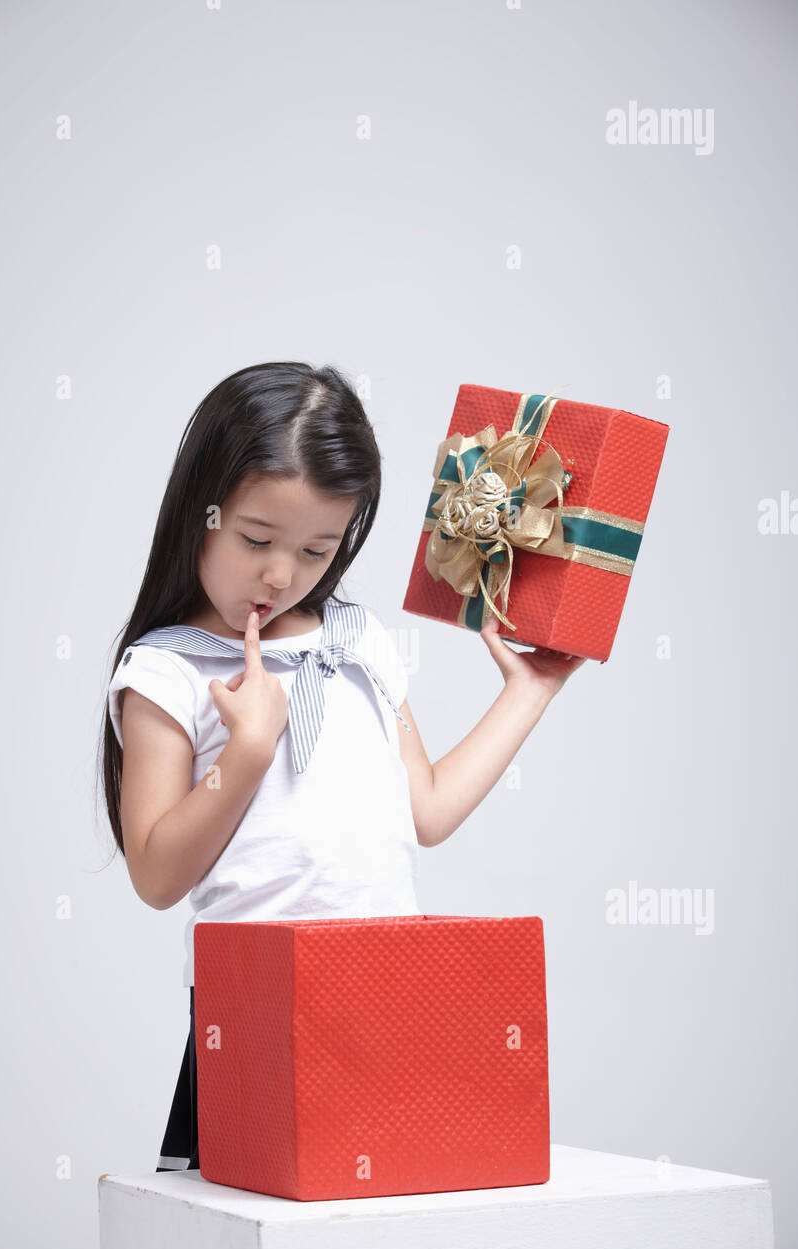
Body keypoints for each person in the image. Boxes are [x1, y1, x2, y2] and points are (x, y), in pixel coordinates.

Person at [98, 360, 585, 1172]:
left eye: (318, 549)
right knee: (258, 1233)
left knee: (385, 1221)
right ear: (201, 513)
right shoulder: (166, 670)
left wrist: (527, 693)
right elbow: (154, 874)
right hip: (252, 1014)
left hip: (388, 986)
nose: (281, 574)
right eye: (256, 539)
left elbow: (423, 810)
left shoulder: (355, 638)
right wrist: (248, 753)